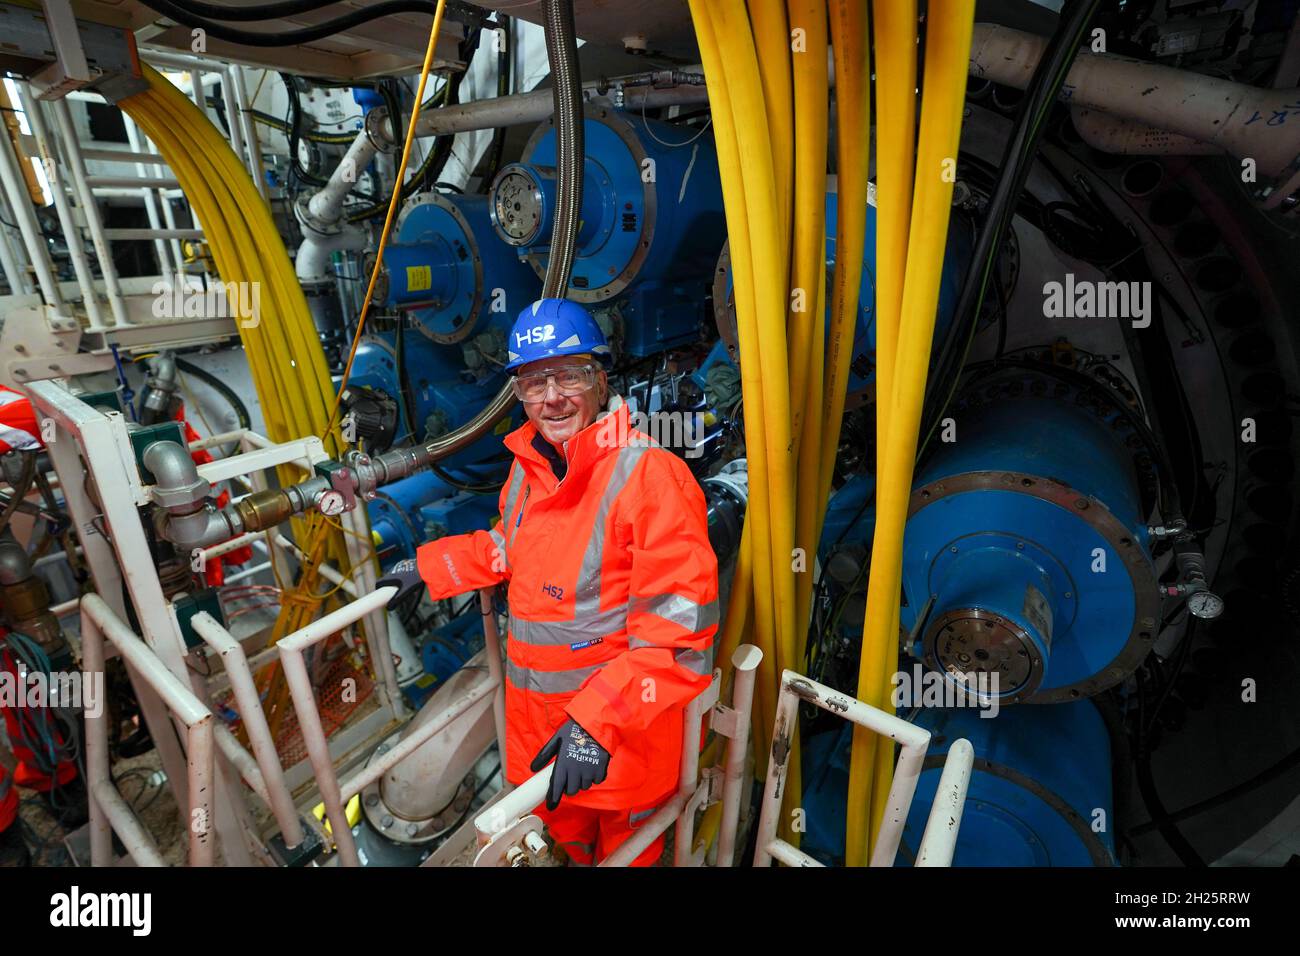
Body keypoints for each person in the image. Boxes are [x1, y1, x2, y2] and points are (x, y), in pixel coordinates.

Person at [379, 298, 719, 866]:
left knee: (629, 857)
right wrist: (431, 566)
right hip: (542, 736)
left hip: (621, 746)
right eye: (534, 381)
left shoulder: (651, 477)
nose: (552, 396)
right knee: (560, 852)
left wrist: (596, 726)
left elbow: (677, 640)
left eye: (569, 375)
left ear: (600, 378)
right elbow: (512, 548)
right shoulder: (530, 466)